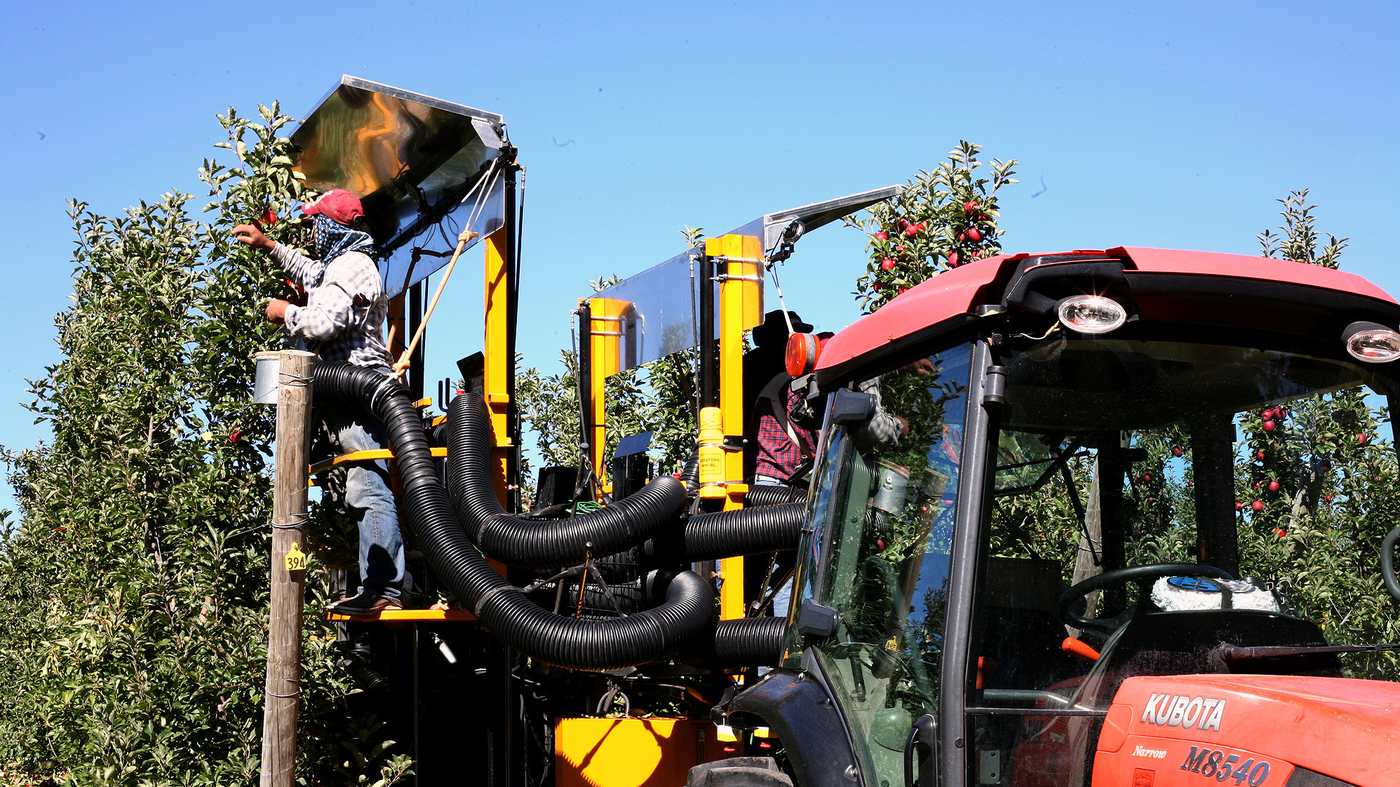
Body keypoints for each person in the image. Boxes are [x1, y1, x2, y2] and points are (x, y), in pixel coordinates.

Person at [233, 189, 405, 616]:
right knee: (353, 486)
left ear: (333, 226)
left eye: (315, 223)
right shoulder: (341, 263)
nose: (312, 231)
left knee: (367, 485)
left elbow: (325, 321)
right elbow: (313, 273)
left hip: (358, 391)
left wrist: (285, 312)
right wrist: (270, 245)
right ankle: (377, 586)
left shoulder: (351, 265)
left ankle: (384, 588)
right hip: (342, 394)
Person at [743, 310, 817, 486]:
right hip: (777, 481)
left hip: (754, 476)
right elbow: (808, 434)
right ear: (776, 340)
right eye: (793, 336)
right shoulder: (788, 381)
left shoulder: (745, 370)